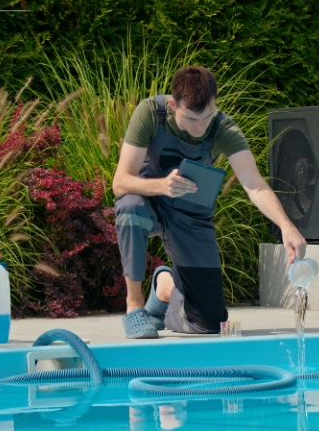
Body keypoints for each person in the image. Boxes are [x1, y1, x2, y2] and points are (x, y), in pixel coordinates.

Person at [113, 66, 306, 339]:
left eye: (207, 115)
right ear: (173, 105)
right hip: (149, 201)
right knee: (130, 209)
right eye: (192, 118)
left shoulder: (223, 127)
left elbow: (254, 183)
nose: (200, 126)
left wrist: (287, 226)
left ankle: (164, 286)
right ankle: (135, 307)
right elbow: (120, 182)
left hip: (191, 215)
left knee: (209, 323)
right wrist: (161, 186)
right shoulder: (150, 113)